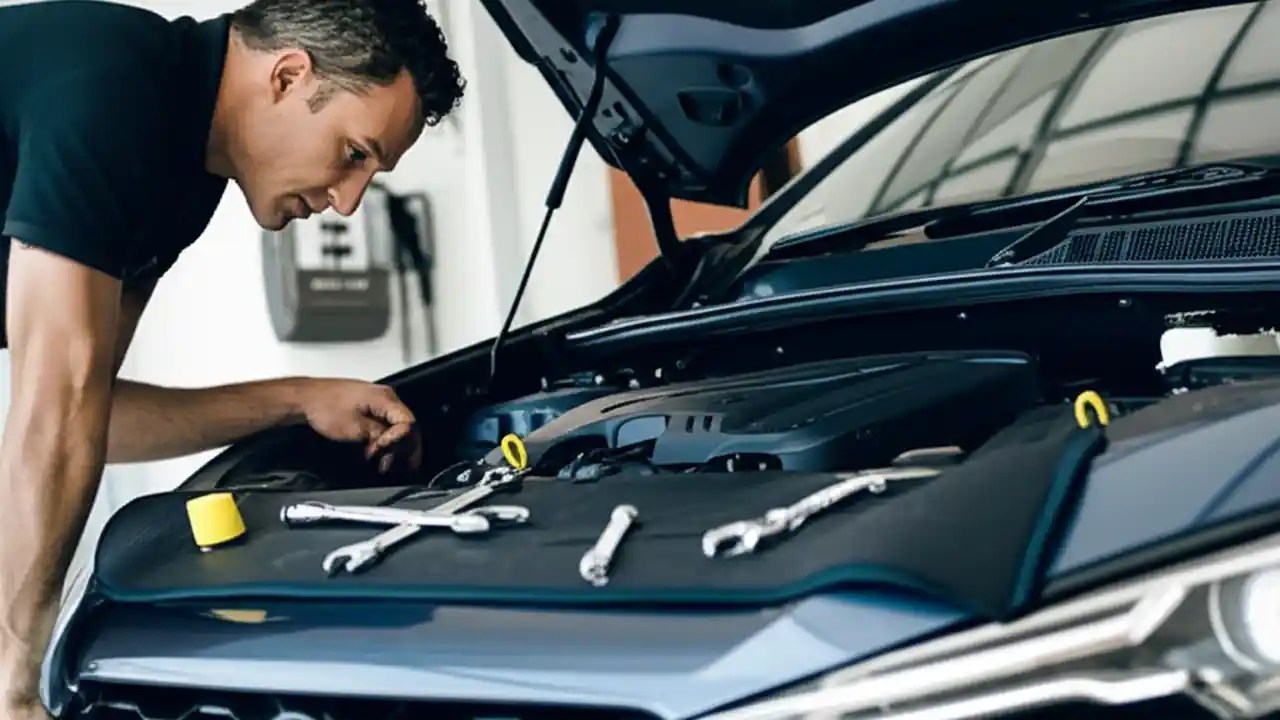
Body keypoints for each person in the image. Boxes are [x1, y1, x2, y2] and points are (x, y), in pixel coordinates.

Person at [0, 0, 466, 716]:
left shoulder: (183, 178)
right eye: (353, 154)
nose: (348, 202)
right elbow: (58, 407)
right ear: (287, 76)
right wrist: (12, 680)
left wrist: (298, 398)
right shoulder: (115, 91)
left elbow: (96, 413)